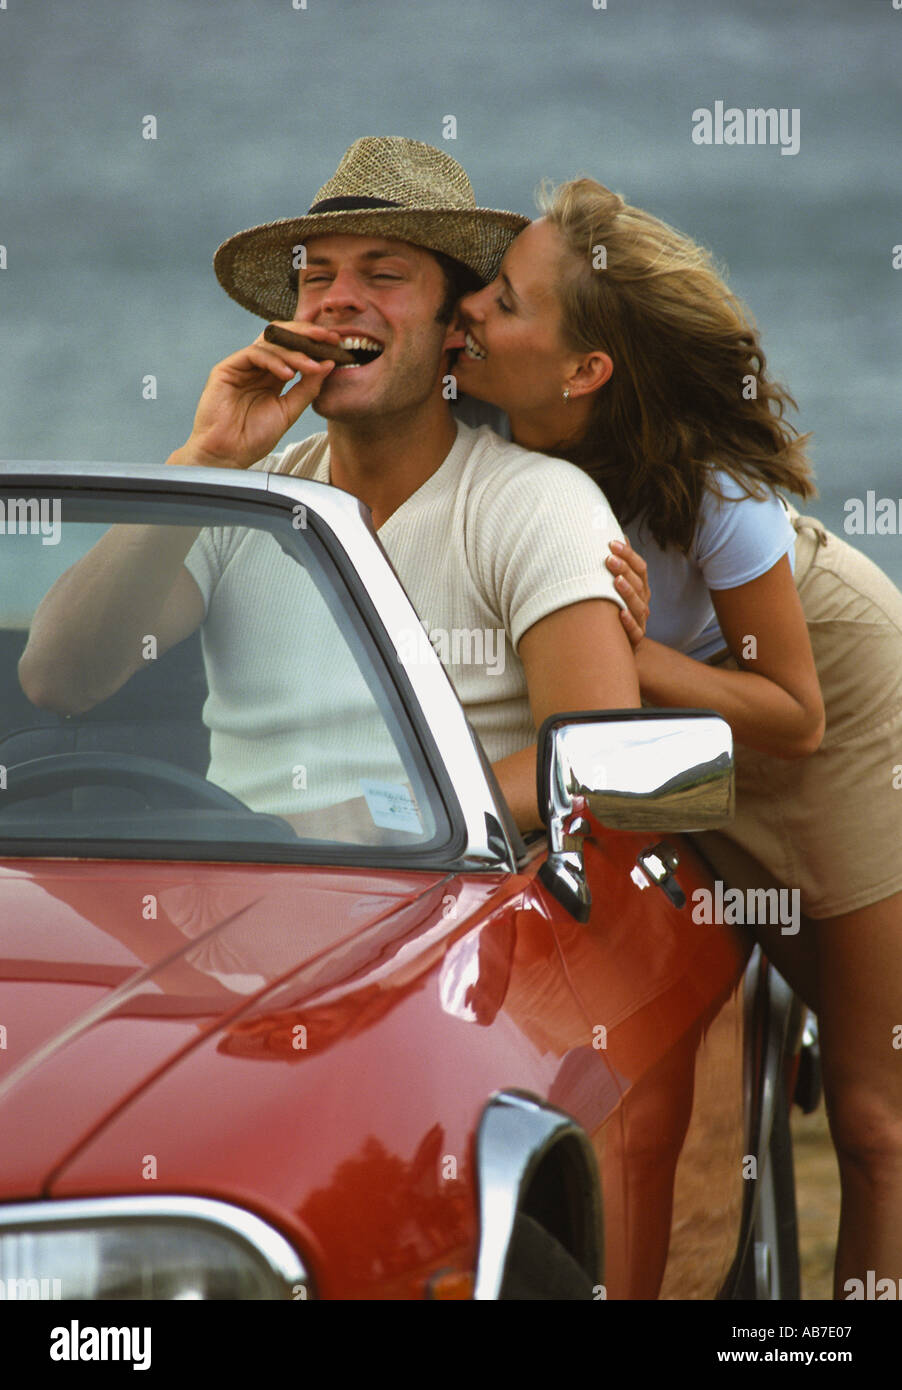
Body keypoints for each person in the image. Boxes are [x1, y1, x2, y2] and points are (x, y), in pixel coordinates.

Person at [451, 175, 902, 1296]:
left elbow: (793, 718)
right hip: (672, 732)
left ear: (584, 370)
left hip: (825, 706)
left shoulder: (711, 489)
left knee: (876, 1116)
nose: (470, 311)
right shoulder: (494, 424)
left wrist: (642, 660)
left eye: (504, 301)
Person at [18, 140, 640, 836]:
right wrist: (202, 461)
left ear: (452, 328)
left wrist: (379, 823)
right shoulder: (240, 498)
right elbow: (57, 678)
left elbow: (595, 758)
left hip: (451, 916)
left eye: (384, 276)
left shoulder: (537, 501)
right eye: (317, 278)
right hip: (234, 905)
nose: (340, 300)